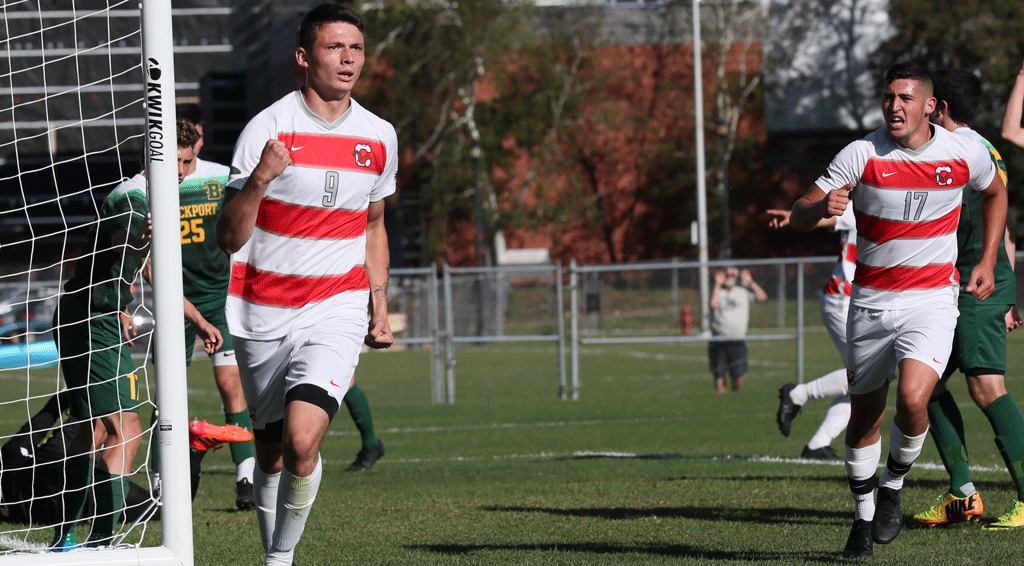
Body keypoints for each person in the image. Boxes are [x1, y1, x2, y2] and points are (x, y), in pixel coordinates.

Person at [788, 62, 1007, 559]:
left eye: (905, 97)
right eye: (888, 96)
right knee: (865, 414)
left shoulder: (964, 151)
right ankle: (863, 518)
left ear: (931, 106)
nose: (894, 106)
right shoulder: (861, 153)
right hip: (869, 301)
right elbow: (802, 209)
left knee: (912, 399)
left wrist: (989, 259)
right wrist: (817, 210)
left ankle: (893, 485)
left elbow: (995, 192)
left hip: (931, 300)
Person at [216, 5, 396, 565]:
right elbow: (228, 236)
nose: (347, 59)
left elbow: (374, 224)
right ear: (303, 56)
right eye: (334, 48)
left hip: (336, 305)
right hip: (261, 309)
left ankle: (280, 560)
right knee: (270, 455)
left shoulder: (379, 135)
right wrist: (261, 180)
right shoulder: (266, 128)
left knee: (301, 442)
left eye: (356, 49)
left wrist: (379, 304)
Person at [51, 121, 224, 549]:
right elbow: (118, 240)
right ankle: (102, 539)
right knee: (126, 426)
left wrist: (199, 321)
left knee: (95, 428)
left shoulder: (149, 199)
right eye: (175, 160)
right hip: (92, 320)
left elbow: (150, 273)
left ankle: (67, 535)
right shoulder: (135, 200)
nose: (183, 170)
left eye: (188, 161)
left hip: (93, 313)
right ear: (153, 157)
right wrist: (131, 244)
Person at [908, 67, 1024, 530]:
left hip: (978, 286)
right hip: (958, 287)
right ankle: (962, 493)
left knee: (986, 387)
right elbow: (1008, 229)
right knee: (924, 384)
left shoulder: (966, 151)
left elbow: (1001, 225)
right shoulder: (976, 148)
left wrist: (1004, 289)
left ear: (939, 106)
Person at [171, 102, 259, 509]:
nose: (181, 171)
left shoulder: (221, 178)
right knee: (170, 394)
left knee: (231, 386)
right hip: (177, 301)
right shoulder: (149, 185)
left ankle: (245, 479)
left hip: (220, 296)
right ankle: (165, 480)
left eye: (187, 161)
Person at [0, 392, 250, 526]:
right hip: (56, 463)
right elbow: (36, 426)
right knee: (95, 420)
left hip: (64, 501)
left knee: (164, 510)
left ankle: (196, 449)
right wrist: (64, 401)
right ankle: (90, 396)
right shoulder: (6, 457)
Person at [768, 205, 855, 460]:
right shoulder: (868, 201)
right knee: (866, 375)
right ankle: (798, 394)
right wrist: (795, 217)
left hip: (859, 301)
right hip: (844, 298)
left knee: (869, 384)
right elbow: (829, 218)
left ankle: (818, 445)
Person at [708, 267, 767, 393]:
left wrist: (751, 281)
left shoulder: (742, 292)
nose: (729, 277)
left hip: (738, 341)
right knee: (719, 376)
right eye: (727, 275)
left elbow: (762, 297)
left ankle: (734, 399)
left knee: (739, 376)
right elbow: (712, 305)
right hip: (719, 340)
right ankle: (721, 401)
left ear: (737, 277)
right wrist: (717, 284)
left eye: (732, 275)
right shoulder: (717, 291)